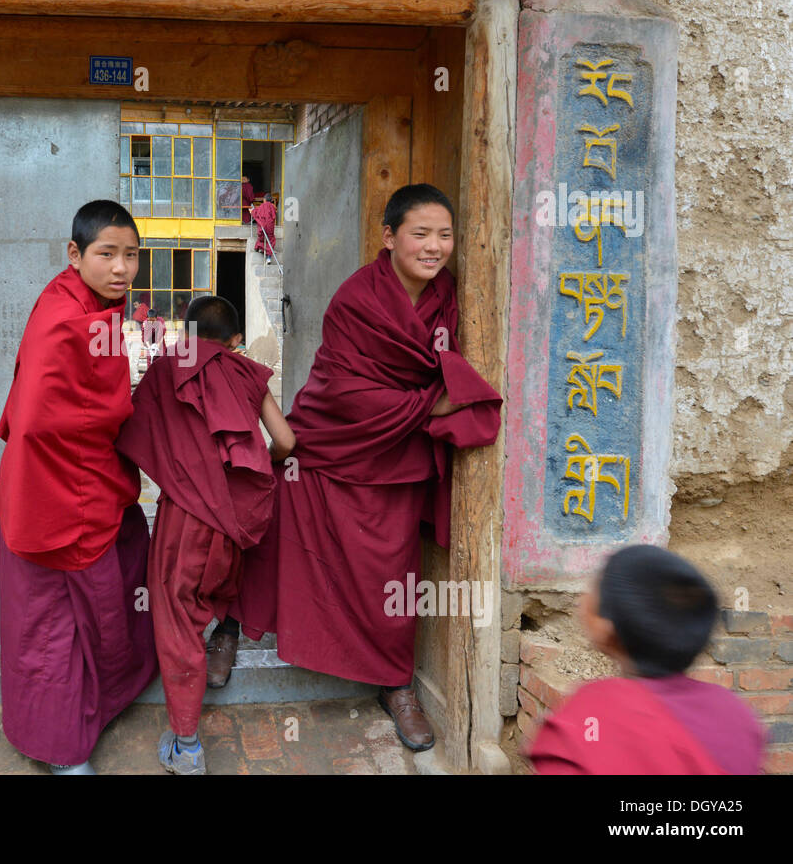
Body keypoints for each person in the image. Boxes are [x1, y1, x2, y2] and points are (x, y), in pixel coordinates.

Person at [234, 183, 503, 752]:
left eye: (445, 236)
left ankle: (394, 684)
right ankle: (233, 624)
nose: (434, 247)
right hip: (334, 444)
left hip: (399, 460)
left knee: (392, 580)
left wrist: (432, 399)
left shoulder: (450, 294)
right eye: (421, 234)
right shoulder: (358, 298)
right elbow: (344, 390)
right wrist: (429, 402)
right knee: (277, 515)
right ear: (390, 237)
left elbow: (447, 367)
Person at [0, 199, 157, 775]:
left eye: (131, 256)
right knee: (52, 629)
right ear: (75, 255)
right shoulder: (67, 318)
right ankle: (62, 751)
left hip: (79, 483)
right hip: (53, 499)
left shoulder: (88, 304)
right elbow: (40, 419)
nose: (121, 269)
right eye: (106, 254)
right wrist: (124, 398)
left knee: (128, 561)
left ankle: (104, 700)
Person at [117, 295, 295, 774]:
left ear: (186, 337)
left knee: (176, 619)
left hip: (184, 518)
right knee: (205, 597)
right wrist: (254, 466)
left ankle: (187, 741)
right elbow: (288, 442)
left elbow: (129, 431)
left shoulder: (165, 370)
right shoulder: (245, 374)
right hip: (235, 522)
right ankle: (219, 646)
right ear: (236, 341)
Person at [526, 545, 766, 774]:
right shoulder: (735, 713)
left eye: (596, 586)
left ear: (605, 628)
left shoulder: (591, 711)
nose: (583, 598)